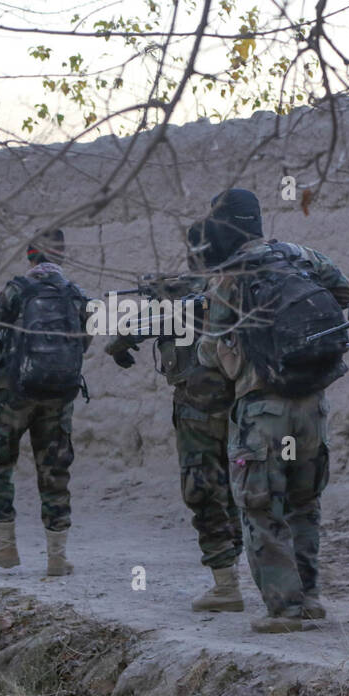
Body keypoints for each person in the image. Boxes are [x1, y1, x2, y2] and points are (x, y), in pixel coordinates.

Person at [196, 188, 349, 633]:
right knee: (305, 503)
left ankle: (283, 609)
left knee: (263, 505)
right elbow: (346, 294)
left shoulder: (227, 277)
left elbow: (211, 353)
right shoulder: (301, 257)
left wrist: (244, 347)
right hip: (313, 405)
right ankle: (310, 598)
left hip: (262, 409)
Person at [105, 220, 243, 611]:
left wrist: (120, 344)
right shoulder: (241, 284)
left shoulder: (185, 293)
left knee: (203, 488)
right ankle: (257, 577)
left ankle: (226, 582)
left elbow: (140, 326)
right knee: (242, 486)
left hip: (197, 408)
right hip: (245, 403)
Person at [0, 229, 91, 576]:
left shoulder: (17, 289)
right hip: (58, 397)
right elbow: (84, 344)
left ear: (30, 255)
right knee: (54, 470)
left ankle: (5, 545)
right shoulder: (75, 294)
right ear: (62, 256)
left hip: (14, 395)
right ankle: (57, 556)